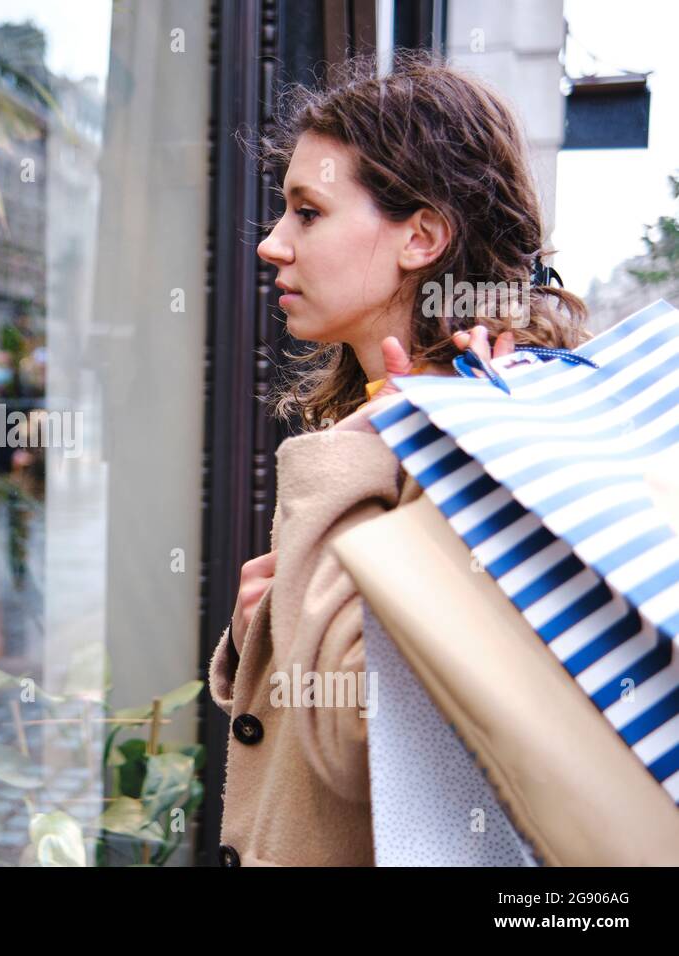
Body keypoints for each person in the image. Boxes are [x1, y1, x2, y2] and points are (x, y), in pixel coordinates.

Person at [208, 53, 589, 866]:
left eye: (307, 213)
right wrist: (259, 629)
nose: (272, 243)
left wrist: (354, 450)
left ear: (421, 236)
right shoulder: (390, 409)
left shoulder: (481, 436)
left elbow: (361, 737)